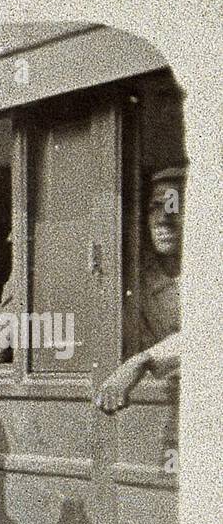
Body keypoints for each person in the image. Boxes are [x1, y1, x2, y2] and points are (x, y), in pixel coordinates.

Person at [95, 166, 185, 413]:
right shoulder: (136, 282)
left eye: (175, 206)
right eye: (155, 207)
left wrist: (143, 360)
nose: (164, 218)